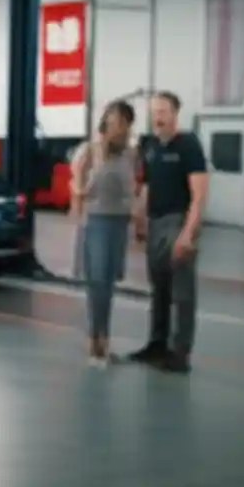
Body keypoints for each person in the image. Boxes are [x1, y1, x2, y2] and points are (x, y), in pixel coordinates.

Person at [128, 91, 209, 373]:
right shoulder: (150, 146)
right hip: (155, 221)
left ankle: (180, 353)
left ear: (175, 114)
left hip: (179, 220)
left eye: (163, 111)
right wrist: (140, 217)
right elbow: (147, 185)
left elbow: (199, 195)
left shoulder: (188, 145)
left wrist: (189, 232)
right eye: (154, 112)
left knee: (182, 292)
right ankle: (157, 344)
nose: (157, 117)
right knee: (159, 289)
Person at [69, 100, 139, 367]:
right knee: (96, 283)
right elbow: (77, 191)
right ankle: (94, 340)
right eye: (114, 121)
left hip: (119, 223)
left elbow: (132, 190)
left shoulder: (131, 154)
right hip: (95, 222)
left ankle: (105, 340)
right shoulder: (88, 151)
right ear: (105, 122)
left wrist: (138, 218)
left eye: (124, 123)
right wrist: (81, 196)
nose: (119, 127)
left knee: (108, 284)